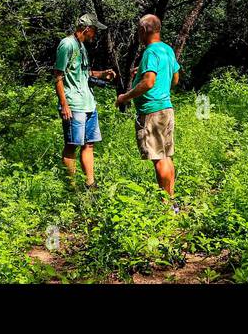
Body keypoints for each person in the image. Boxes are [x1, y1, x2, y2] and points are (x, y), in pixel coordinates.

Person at [117, 14, 181, 197]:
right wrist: (143, 73)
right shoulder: (167, 50)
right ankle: (171, 201)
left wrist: (125, 97)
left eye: (139, 30)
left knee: (158, 159)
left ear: (143, 30)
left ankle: (165, 206)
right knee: (166, 157)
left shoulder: (150, 52)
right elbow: (175, 78)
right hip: (167, 110)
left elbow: (149, 83)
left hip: (152, 112)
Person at [54, 13, 115, 188]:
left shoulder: (82, 47)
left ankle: (90, 184)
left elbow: (84, 73)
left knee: (89, 144)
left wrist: (102, 74)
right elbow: (58, 76)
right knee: (72, 144)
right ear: (87, 29)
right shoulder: (67, 45)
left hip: (88, 103)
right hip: (74, 104)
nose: (95, 34)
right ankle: (71, 187)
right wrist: (64, 105)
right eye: (94, 30)